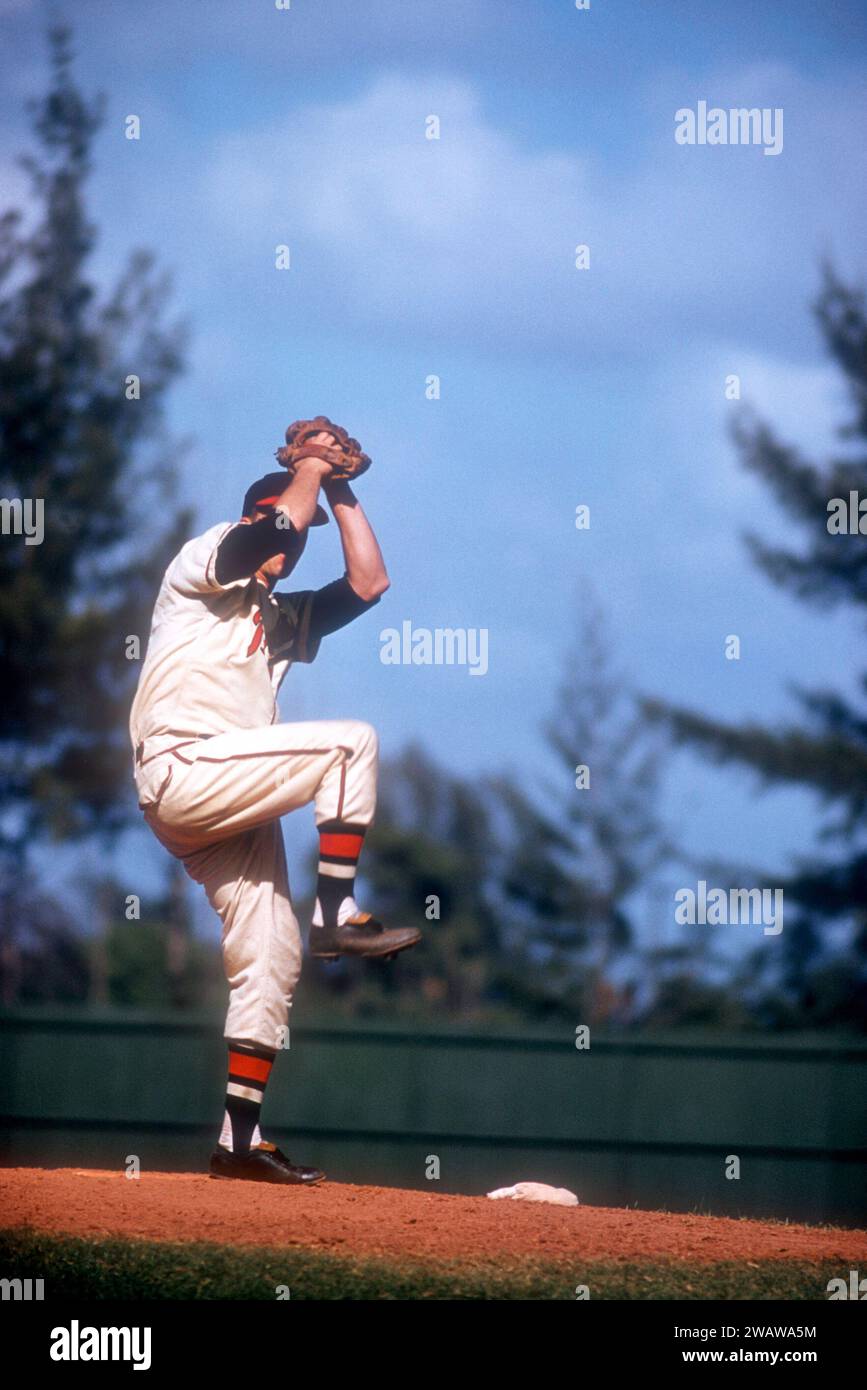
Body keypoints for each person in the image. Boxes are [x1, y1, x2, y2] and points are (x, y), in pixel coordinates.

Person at [129, 427, 420, 1184]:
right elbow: (280, 523)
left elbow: (368, 584)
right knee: (348, 743)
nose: (295, 546)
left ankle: (238, 1141)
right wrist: (309, 471)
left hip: (229, 800)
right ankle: (336, 912)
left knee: (270, 953)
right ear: (259, 511)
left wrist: (340, 485)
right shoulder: (204, 565)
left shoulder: (278, 622)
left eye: (305, 533)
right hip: (184, 767)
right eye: (291, 525)